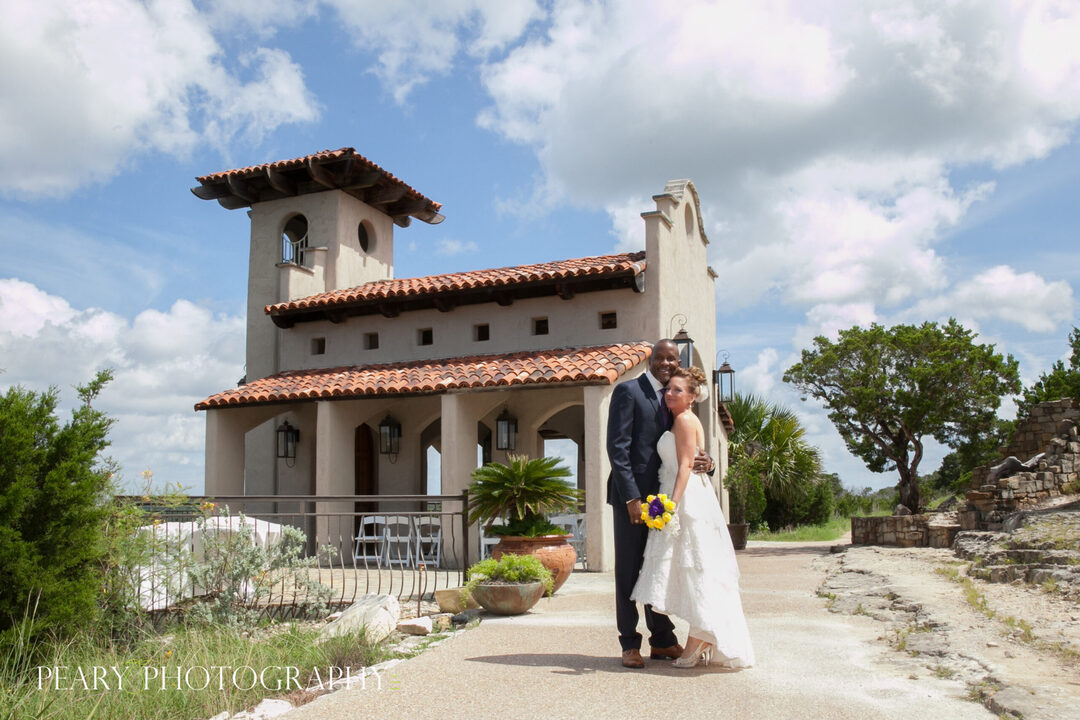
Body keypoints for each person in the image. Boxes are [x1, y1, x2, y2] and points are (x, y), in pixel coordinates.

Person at [630, 366, 755, 669]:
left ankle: (699, 637)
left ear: (692, 396)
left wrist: (670, 505)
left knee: (695, 567)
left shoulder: (685, 419)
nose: (669, 393)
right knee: (686, 569)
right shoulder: (678, 420)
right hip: (677, 491)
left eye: (677, 390)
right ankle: (700, 634)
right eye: (669, 388)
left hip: (686, 498)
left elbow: (686, 465)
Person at [606, 339, 713, 668]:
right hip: (634, 500)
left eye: (673, 359)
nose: (666, 363)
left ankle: (663, 640)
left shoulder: (676, 397)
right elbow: (618, 449)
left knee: (658, 566)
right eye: (661, 358)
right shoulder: (628, 391)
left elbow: (687, 447)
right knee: (628, 570)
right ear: (650, 359)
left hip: (666, 498)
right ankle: (629, 643)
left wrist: (707, 463)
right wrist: (631, 497)